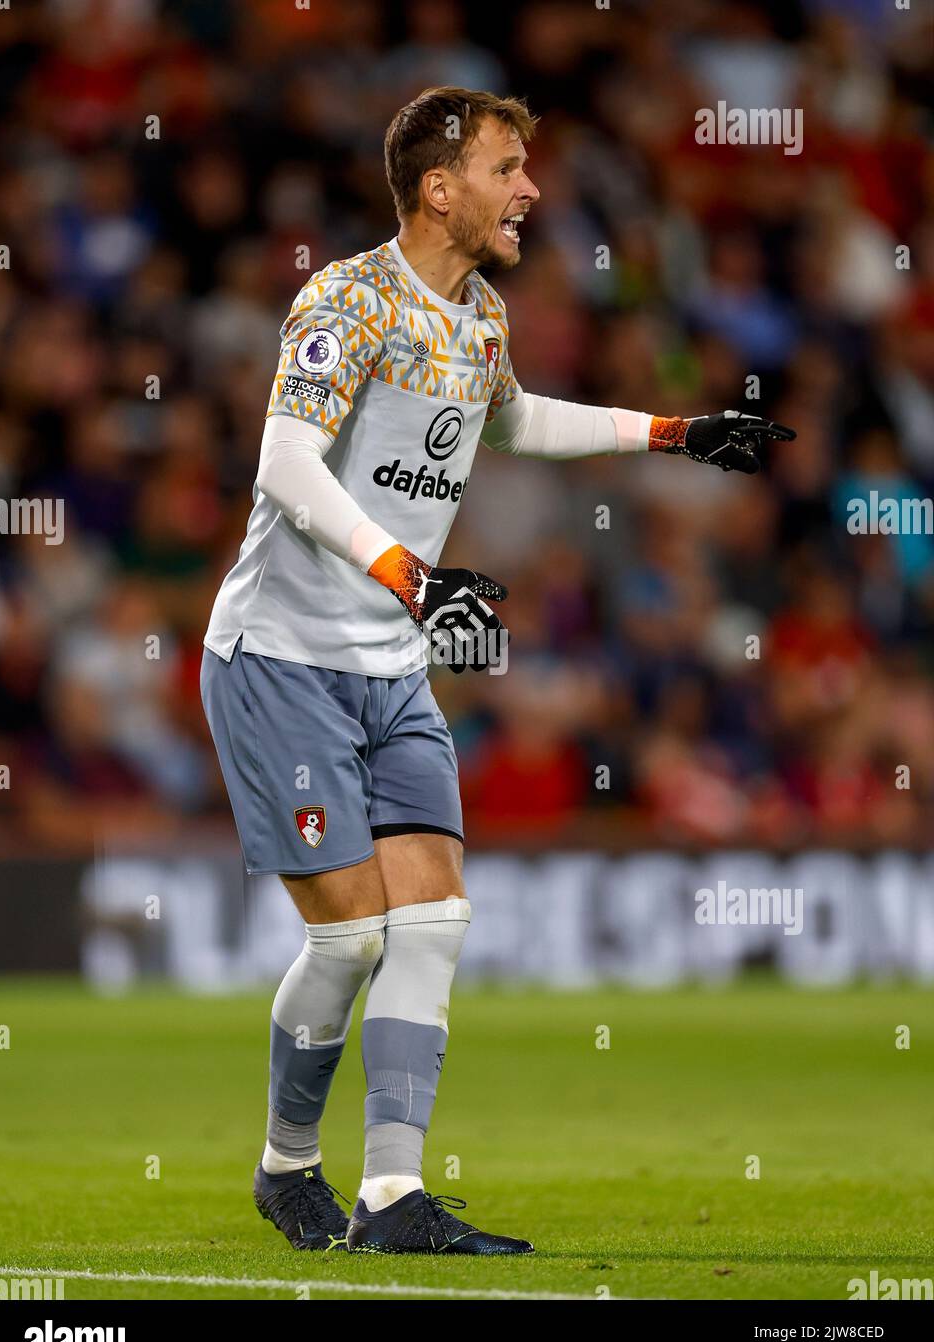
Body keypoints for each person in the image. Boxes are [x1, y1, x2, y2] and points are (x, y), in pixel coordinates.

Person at [200, 86, 794, 1256]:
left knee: (433, 922)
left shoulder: (476, 317)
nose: (531, 189)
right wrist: (407, 574)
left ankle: (390, 1196)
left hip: (392, 664)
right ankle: (285, 1165)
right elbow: (282, 461)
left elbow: (511, 421)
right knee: (349, 940)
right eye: (510, 168)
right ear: (439, 186)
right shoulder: (348, 299)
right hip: (280, 660)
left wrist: (672, 431)